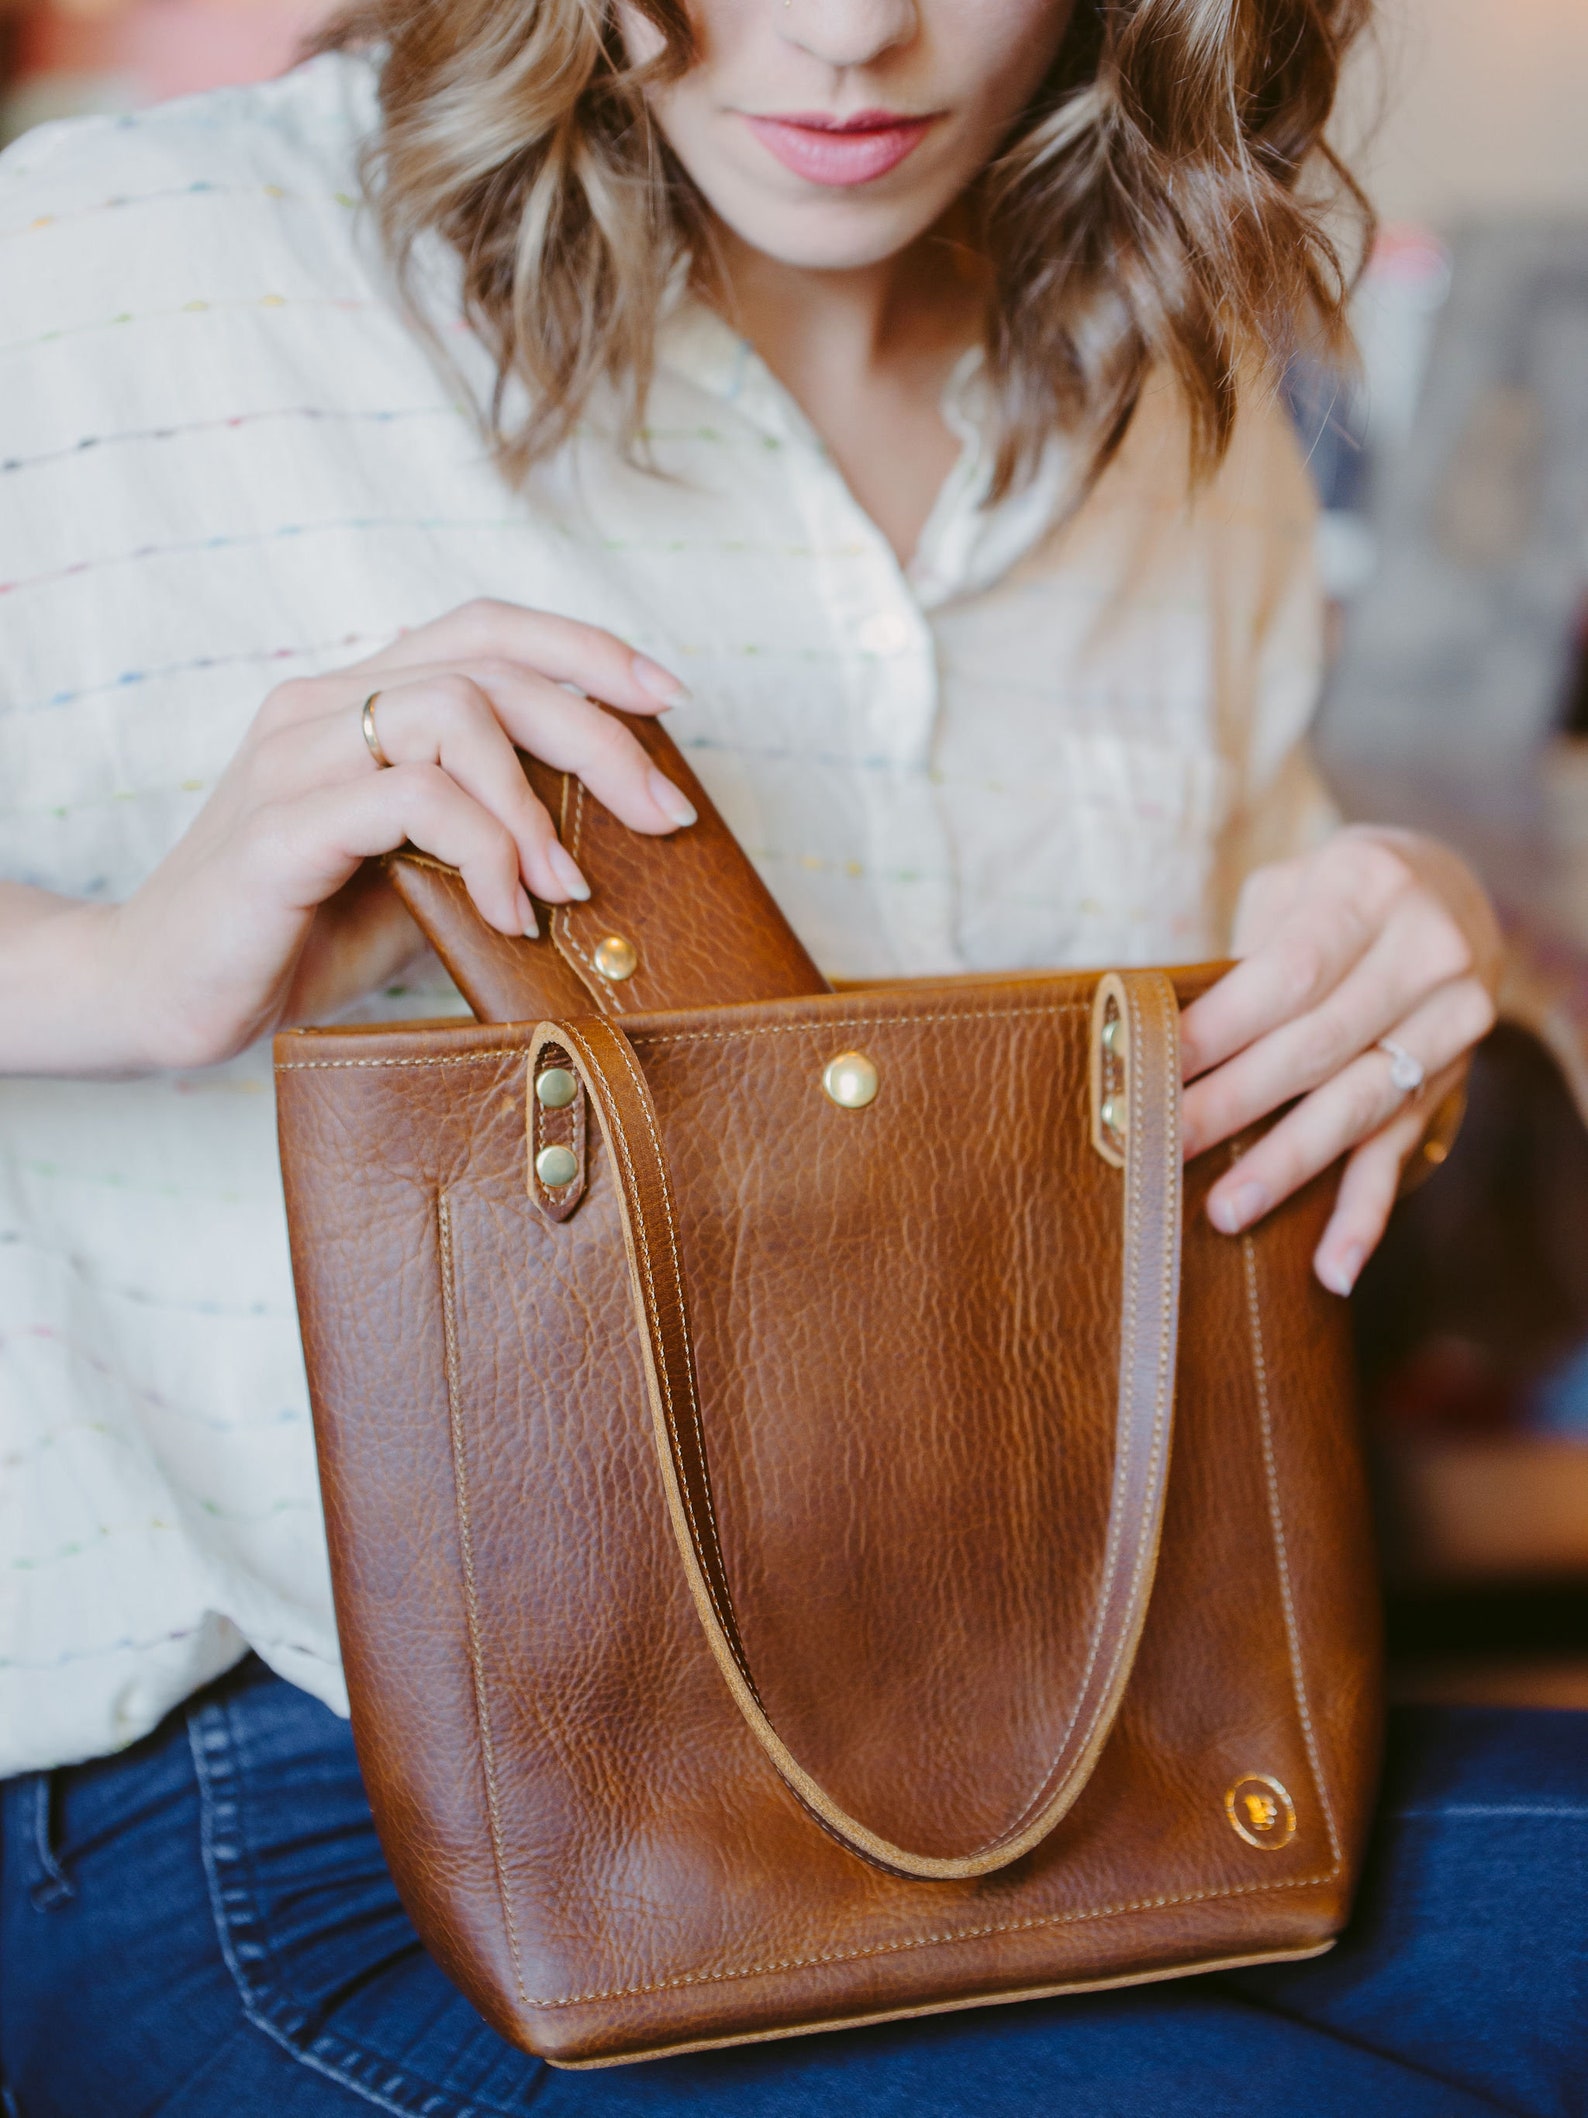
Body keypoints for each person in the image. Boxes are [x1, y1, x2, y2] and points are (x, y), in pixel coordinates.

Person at [0, 2, 1578, 2112]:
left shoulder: (1175, 410)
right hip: (282, 1810)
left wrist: (1420, 982)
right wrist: (126, 971)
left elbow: (1248, 1181)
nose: (848, 36)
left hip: (1082, 1710)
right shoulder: (124, 267)